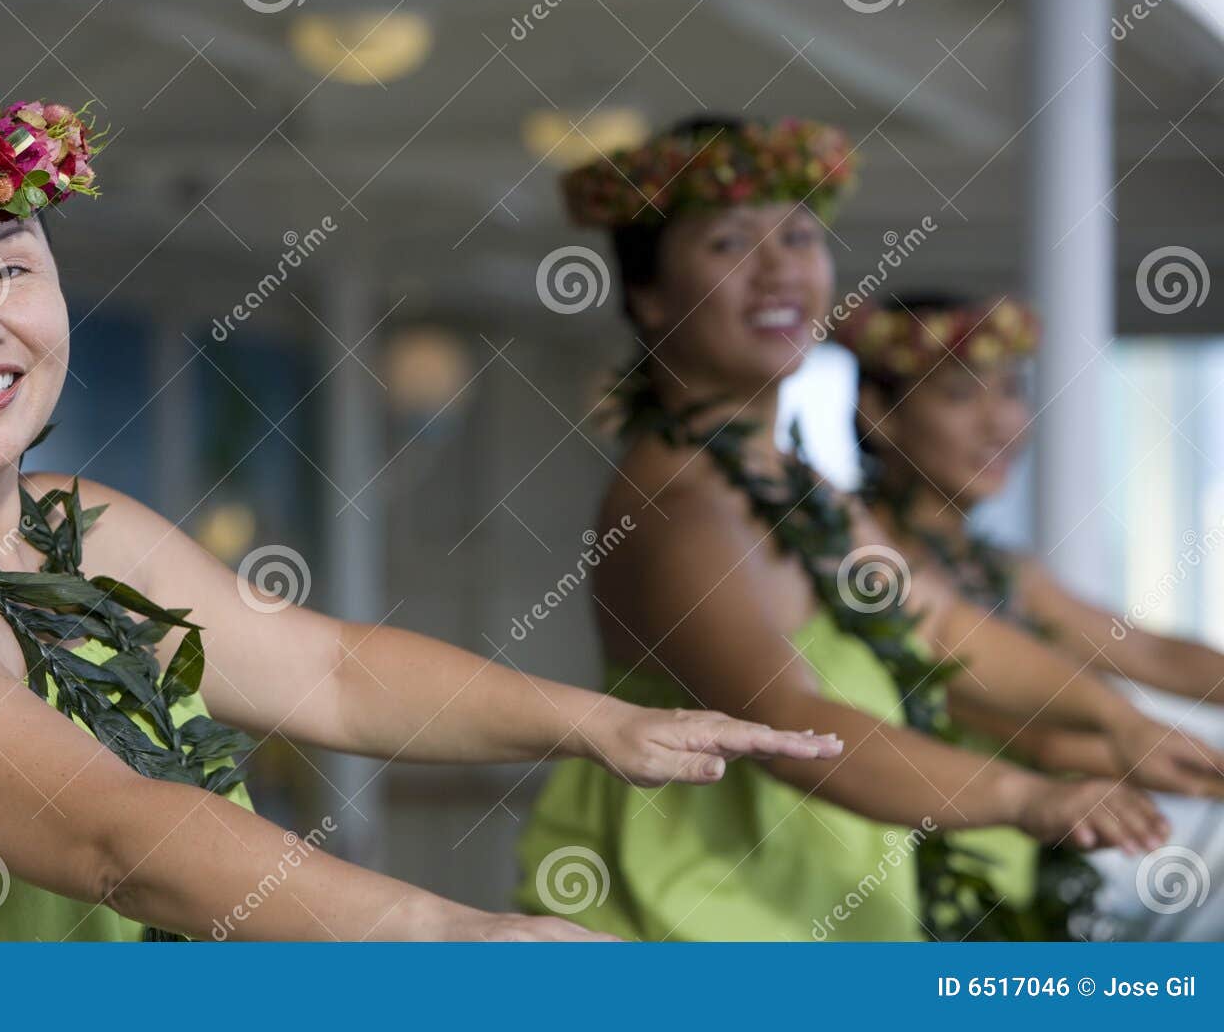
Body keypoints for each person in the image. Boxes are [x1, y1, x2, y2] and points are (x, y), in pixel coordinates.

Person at [0, 94, 843, 943]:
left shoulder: (75, 523)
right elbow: (119, 835)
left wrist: (595, 723)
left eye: (10, 263)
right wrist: (448, 932)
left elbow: (326, 670)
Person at [515, 115, 1224, 942]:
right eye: (729, 244)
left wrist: (1123, 723)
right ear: (648, 293)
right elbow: (785, 720)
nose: (778, 267)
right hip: (691, 933)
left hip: (817, 924)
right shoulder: (678, 510)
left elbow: (943, 625)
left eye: (799, 236)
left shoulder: (802, 488)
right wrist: (1026, 793)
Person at [843, 293, 1224, 939]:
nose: (1001, 422)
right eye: (961, 395)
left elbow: (1149, 653)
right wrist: (1189, 763)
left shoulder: (1004, 571)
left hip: (998, 890)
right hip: (879, 894)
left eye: (1011, 390)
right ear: (878, 413)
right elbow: (1028, 730)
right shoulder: (860, 560)